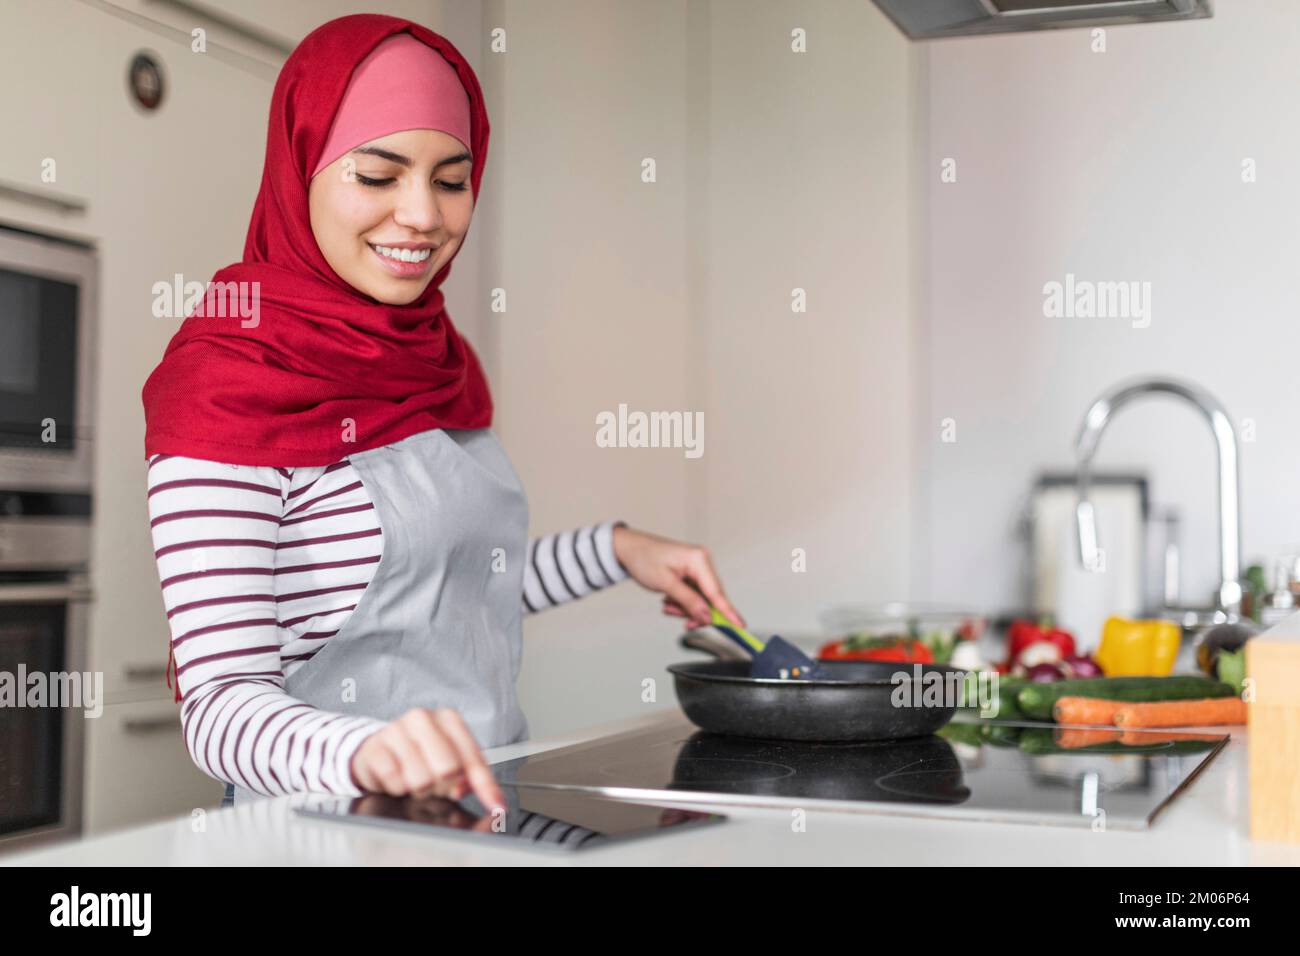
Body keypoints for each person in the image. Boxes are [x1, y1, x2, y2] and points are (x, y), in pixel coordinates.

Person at [140, 14, 743, 813]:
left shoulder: (432, 358)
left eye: (452, 181)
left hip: (475, 820)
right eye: (377, 175)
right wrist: (365, 751)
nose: (424, 215)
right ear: (299, 169)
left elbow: (452, 589)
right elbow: (218, 707)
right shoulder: (226, 382)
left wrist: (615, 549)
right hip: (319, 837)